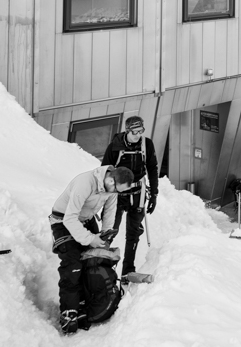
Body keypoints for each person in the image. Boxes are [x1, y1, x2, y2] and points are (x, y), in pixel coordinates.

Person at [49, 165, 136, 335]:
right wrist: (91, 239)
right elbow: (70, 218)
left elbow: (110, 211)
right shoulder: (85, 183)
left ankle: (84, 298)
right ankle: (69, 311)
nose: (118, 194)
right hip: (63, 221)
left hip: (86, 219)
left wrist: (105, 234)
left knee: (93, 258)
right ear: (111, 180)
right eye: (118, 190)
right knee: (73, 264)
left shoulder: (112, 188)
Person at [101, 116, 159, 278]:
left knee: (133, 232)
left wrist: (154, 194)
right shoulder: (114, 147)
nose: (138, 135)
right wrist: (103, 199)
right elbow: (104, 172)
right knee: (110, 230)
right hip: (117, 194)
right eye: (135, 132)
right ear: (127, 130)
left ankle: (128, 270)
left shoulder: (146, 144)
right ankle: (100, 266)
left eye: (141, 131)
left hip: (137, 193)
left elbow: (152, 168)